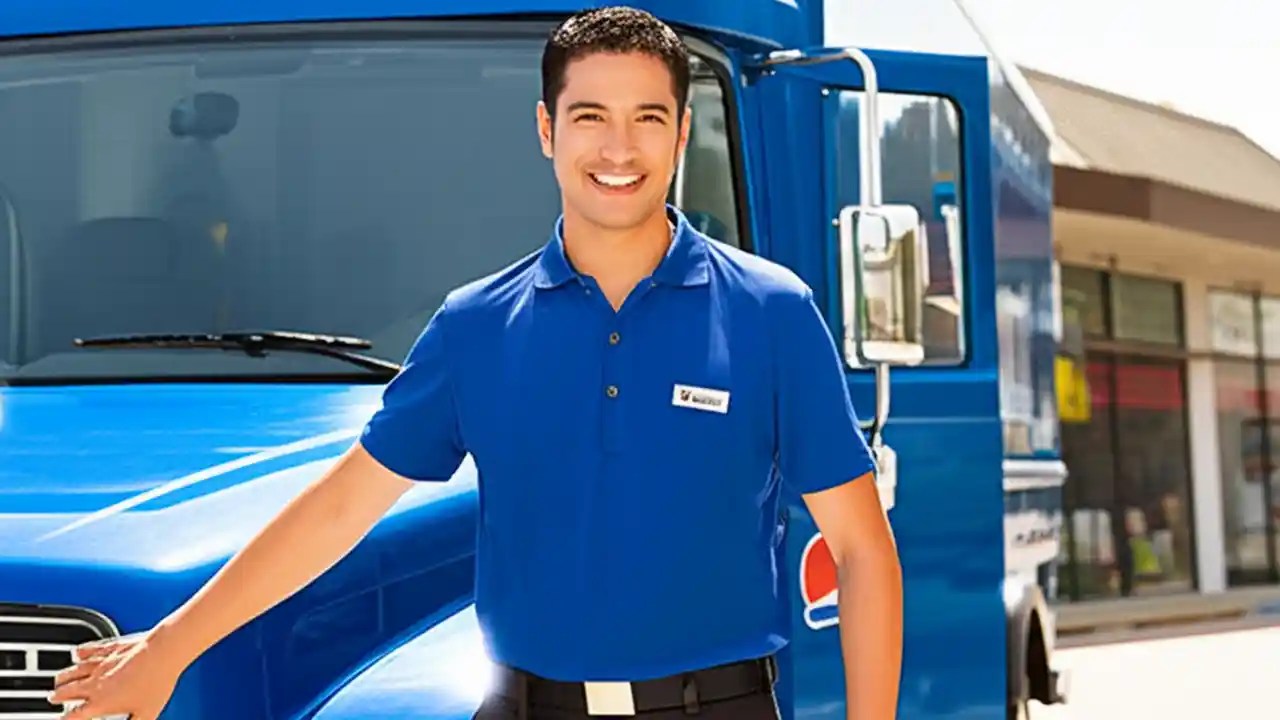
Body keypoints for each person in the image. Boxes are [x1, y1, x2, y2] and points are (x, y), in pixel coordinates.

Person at [49, 7, 903, 720]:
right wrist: (168, 649)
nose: (619, 149)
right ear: (546, 129)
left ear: (682, 132)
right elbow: (342, 508)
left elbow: (862, 548)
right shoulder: (477, 324)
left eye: (647, 118)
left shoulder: (771, 311)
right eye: (590, 118)